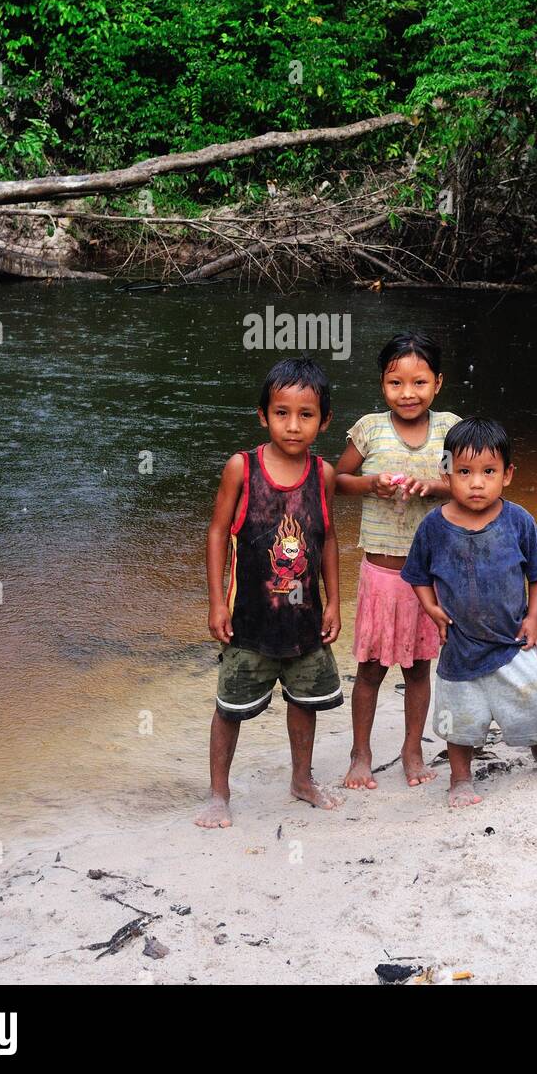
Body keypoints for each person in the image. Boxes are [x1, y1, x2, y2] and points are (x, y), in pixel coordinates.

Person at [196, 357, 343, 828]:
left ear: (324, 421)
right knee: (230, 708)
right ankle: (219, 793)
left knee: (306, 702)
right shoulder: (243, 468)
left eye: (306, 415)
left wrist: (336, 601)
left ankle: (302, 779)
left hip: (305, 622)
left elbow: (330, 539)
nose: (293, 425)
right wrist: (218, 601)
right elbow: (218, 532)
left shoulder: (323, 474)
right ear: (263, 415)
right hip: (249, 622)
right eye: (282, 412)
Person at [400, 416, 537, 808]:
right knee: (459, 721)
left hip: (512, 640)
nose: (476, 482)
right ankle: (460, 779)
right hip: (460, 649)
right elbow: (418, 574)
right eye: (464, 472)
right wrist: (430, 607)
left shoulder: (517, 521)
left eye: (488, 472)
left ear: (507, 474)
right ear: (446, 472)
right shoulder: (433, 527)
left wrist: (533, 619)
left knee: (536, 699)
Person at [335, 332, 460, 789]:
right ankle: (360, 753)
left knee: (418, 667)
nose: (407, 394)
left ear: (438, 383)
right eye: (395, 383)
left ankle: (412, 750)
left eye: (419, 383)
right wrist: (373, 486)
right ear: (382, 384)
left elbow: (466, 484)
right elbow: (338, 478)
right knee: (370, 668)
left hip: (431, 576)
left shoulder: (450, 429)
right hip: (381, 573)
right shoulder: (370, 428)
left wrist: (435, 487)